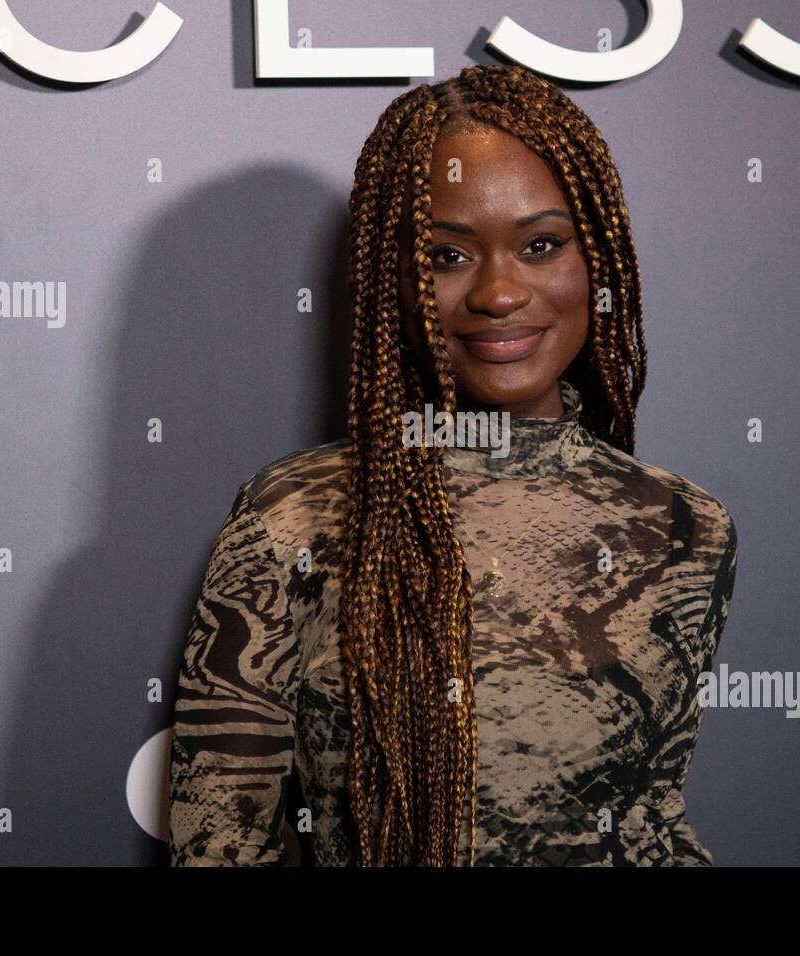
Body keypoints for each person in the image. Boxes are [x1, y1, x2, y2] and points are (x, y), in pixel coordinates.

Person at [167, 63, 737, 866]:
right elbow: (218, 846)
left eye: (542, 245)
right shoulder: (294, 514)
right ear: (392, 280)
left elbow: (651, 821)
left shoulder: (687, 524)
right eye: (445, 256)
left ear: (598, 257)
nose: (500, 293)